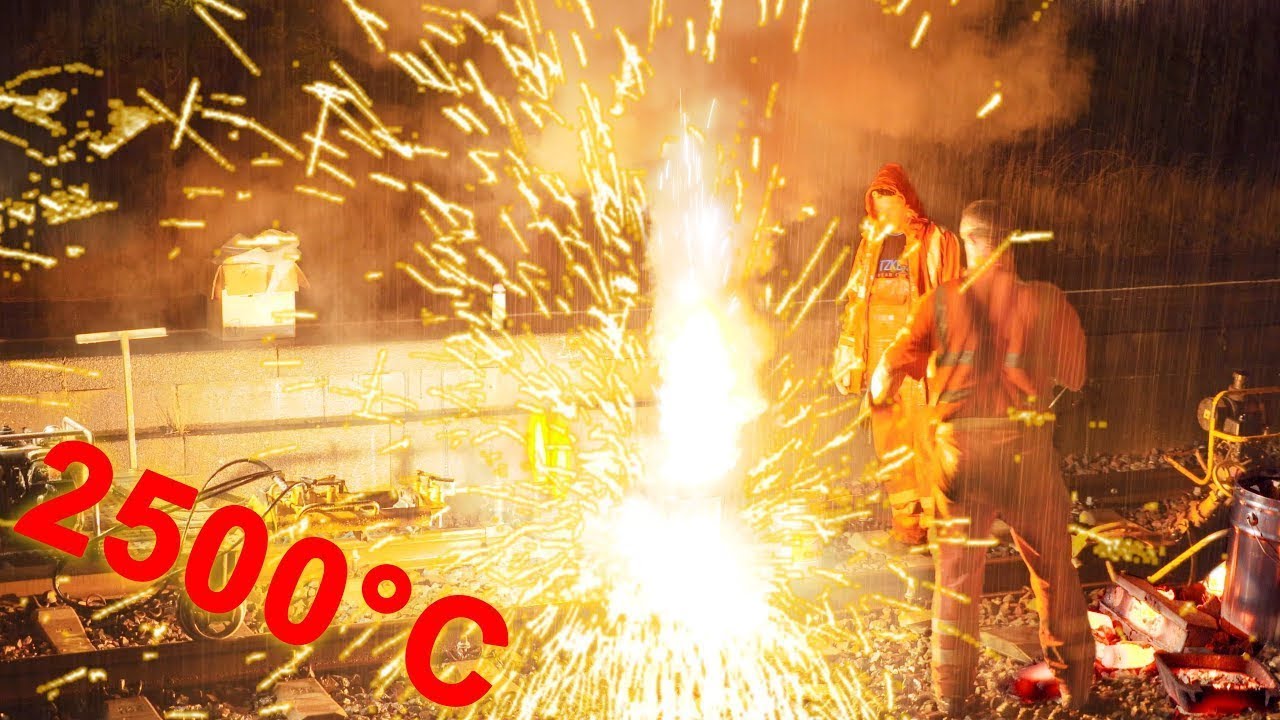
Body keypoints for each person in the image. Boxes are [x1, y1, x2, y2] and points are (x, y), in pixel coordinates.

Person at [867, 200, 1094, 715]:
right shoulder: (1046, 301)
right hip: (1026, 458)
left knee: (958, 576)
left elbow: (884, 375)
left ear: (967, 242)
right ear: (1010, 243)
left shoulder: (939, 302)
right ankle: (1077, 688)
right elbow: (1077, 377)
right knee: (1055, 570)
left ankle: (953, 697)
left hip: (959, 460)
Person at [833, 163, 965, 546]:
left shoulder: (938, 242)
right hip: (880, 368)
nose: (884, 210)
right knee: (890, 447)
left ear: (907, 201)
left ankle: (941, 527)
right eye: (878, 203)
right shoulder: (870, 245)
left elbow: (952, 304)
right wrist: (848, 354)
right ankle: (908, 526)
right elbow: (856, 302)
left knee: (928, 444)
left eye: (891, 201)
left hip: (921, 367)